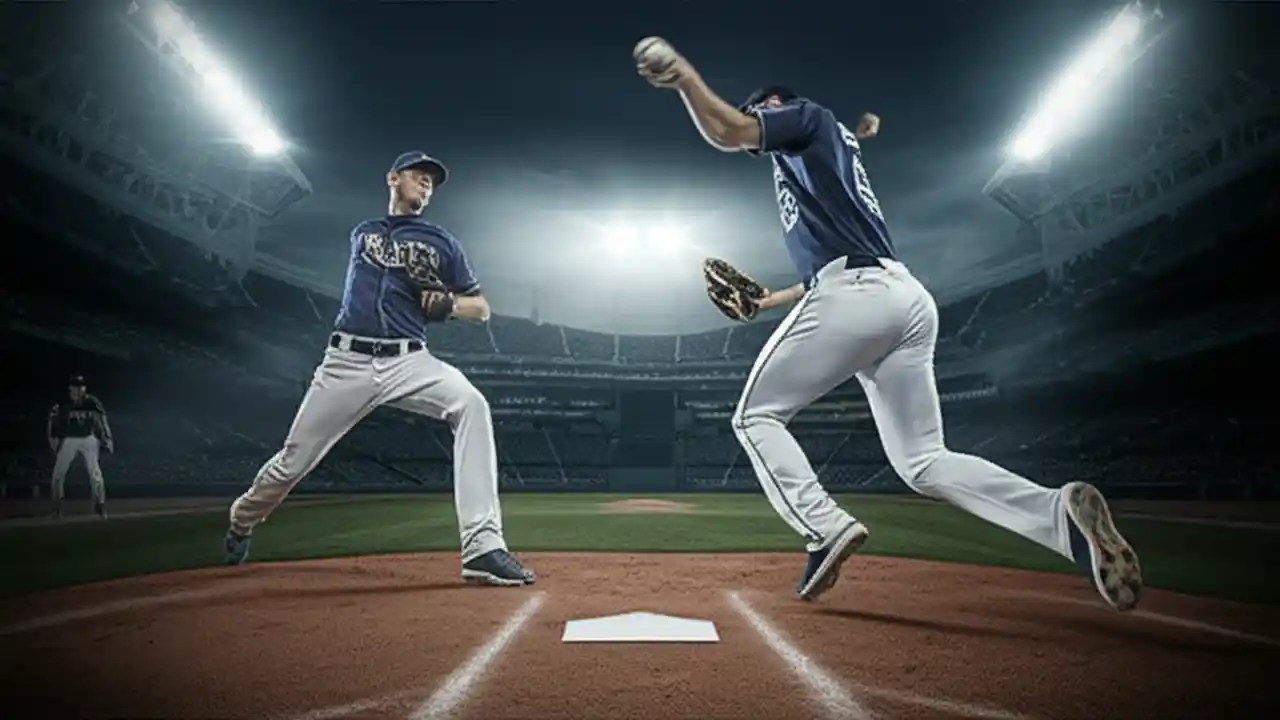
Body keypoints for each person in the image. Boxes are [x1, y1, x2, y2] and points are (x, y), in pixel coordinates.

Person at [636, 41, 1142, 610]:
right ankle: (1059, 515)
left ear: (775, 106)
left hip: (855, 294)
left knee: (756, 416)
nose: (761, 133)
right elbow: (833, 249)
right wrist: (771, 299)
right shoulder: (824, 153)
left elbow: (730, 131)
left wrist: (684, 80)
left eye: (765, 113)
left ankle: (824, 526)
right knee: (924, 461)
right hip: (900, 297)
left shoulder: (802, 120)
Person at [223, 151, 534, 587]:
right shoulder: (364, 232)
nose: (426, 185)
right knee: (292, 463)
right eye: (418, 176)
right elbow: (386, 264)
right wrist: (416, 272)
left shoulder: (442, 241)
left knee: (472, 405)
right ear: (393, 178)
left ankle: (483, 548)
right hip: (345, 363)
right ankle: (242, 518)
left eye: (432, 181)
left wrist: (450, 305)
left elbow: (481, 308)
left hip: (409, 360)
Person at [47, 375, 113, 519]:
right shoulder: (62, 403)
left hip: (89, 438)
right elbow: (53, 422)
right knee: (58, 474)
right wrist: (53, 439)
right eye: (75, 387)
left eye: (80, 387)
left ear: (84, 389)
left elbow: (102, 421)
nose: (77, 390)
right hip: (69, 439)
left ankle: (100, 506)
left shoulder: (92, 402)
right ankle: (57, 509)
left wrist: (107, 439)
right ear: (70, 388)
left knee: (95, 474)